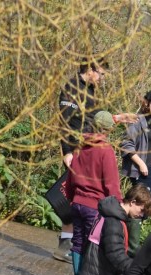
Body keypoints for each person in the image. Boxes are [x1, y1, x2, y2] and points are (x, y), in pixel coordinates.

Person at [54, 56, 111, 262]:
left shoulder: (91, 91)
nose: (102, 79)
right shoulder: (72, 88)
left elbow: (94, 118)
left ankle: (75, 242)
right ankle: (66, 244)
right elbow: (64, 122)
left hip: (88, 148)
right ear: (91, 69)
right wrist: (67, 150)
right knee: (71, 194)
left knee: (81, 194)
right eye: (101, 74)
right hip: (74, 150)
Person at [64, 110, 122, 275]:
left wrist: (72, 198)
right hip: (94, 206)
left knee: (77, 243)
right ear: (107, 130)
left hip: (77, 203)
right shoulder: (106, 150)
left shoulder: (80, 146)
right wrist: (118, 208)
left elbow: (71, 177)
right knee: (93, 246)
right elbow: (111, 184)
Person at [120, 89, 151, 201]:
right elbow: (126, 144)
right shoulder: (137, 120)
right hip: (143, 171)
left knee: (148, 207)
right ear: (147, 103)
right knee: (140, 205)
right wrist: (141, 164)